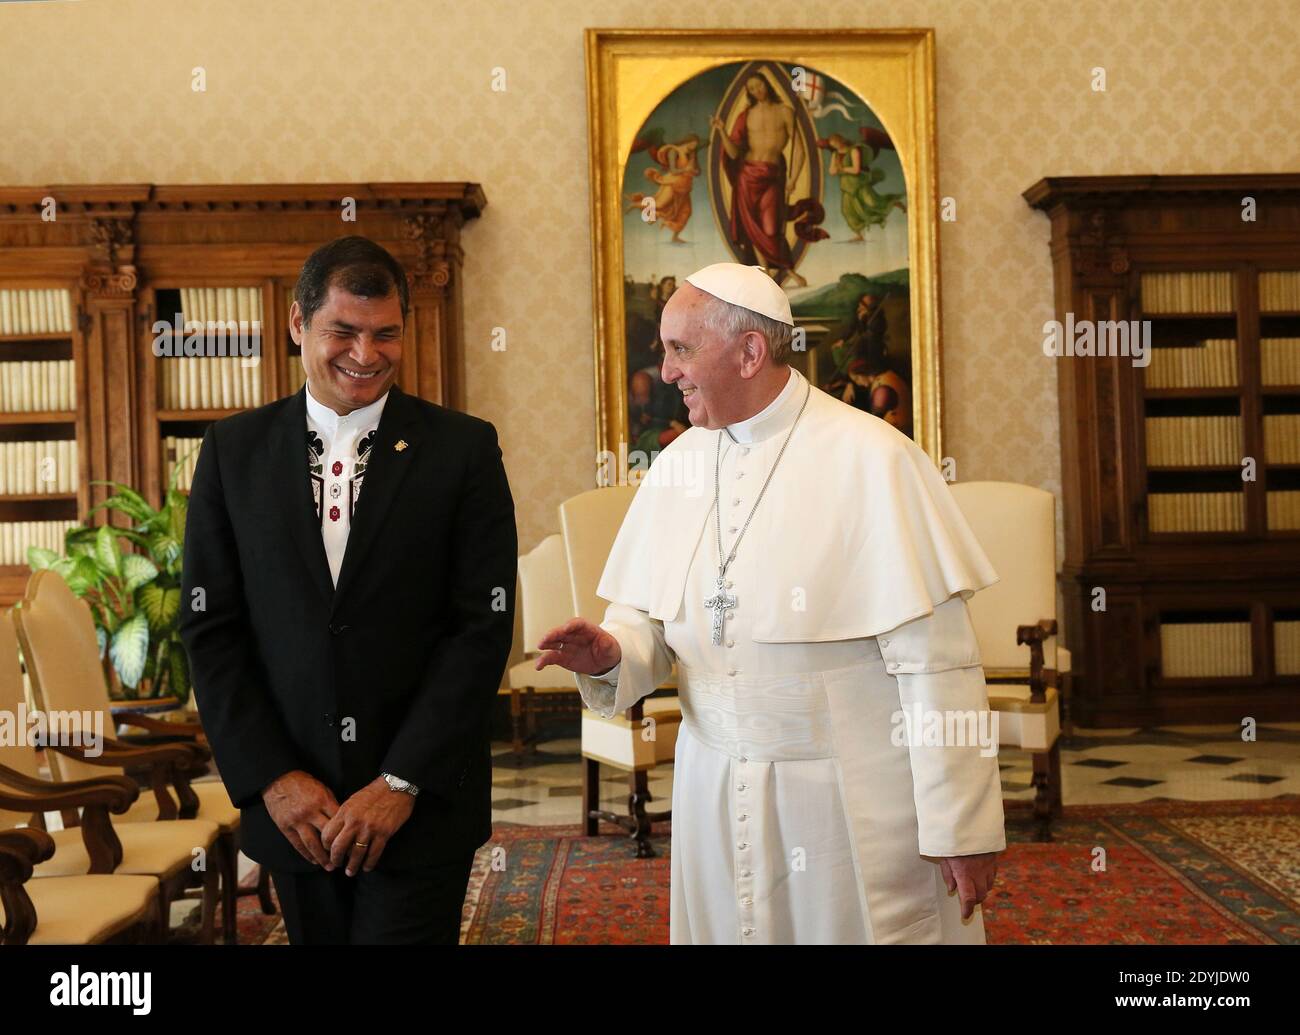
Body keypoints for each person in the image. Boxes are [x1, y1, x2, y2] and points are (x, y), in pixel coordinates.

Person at [537, 262, 1004, 944]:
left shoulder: (875, 458)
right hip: (711, 785)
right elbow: (648, 624)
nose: (667, 372)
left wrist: (960, 825)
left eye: (680, 349)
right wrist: (612, 652)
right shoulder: (677, 466)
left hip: (847, 796)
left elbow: (939, 668)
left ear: (750, 352)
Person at [180, 235, 516, 944]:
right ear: (298, 324)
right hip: (296, 810)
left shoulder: (464, 450)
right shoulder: (231, 451)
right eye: (344, 331)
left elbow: (479, 629)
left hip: (420, 805)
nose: (366, 354)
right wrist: (274, 778)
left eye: (385, 333)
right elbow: (213, 631)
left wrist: (399, 783)